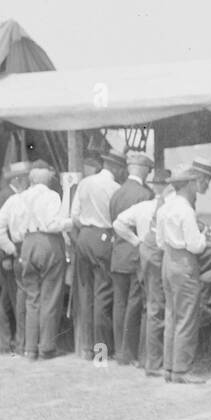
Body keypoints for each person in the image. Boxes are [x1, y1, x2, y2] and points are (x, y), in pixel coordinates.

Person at [111, 167, 172, 376]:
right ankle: (152, 358)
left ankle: (142, 356)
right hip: (160, 257)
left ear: (154, 186)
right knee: (154, 308)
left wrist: (136, 242)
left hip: (143, 258)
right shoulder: (167, 207)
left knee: (146, 306)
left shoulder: (142, 207)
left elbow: (118, 223)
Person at [157, 164, 209, 384]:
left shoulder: (165, 207)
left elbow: (159, 242)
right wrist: (204, 234)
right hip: (184, 261)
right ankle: (182, 369)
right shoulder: (186, 209)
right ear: (188, 184)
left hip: (168, 260)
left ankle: (169, 367)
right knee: (187, 316)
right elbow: (196, 246)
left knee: (171, 314)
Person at [15, 161, 71, 359]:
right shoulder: (51, 196)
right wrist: (71, 222)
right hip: (48, 243)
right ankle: (46, 346)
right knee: (50, 295)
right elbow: (52, 223)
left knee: (32, 297)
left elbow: (16, 226)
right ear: (47, 177)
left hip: (27, 243)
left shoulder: (21, 197)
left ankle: (30, 348)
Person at [72, 151, 123, 361]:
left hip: (83, 236)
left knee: (85, 294)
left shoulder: (85, 183)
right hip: (103, 238)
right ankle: (101, 351)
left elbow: (74, 216)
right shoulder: (115, 189)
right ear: (118, 168)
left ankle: (86, 348)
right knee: (103, 295)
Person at [109, 151, 154, 365]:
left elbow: (115, 223)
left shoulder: (117, 193)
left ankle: (119, 351)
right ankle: (130, 353)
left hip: (118, 254)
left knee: (119, 304)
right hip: (136, 255)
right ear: (144, 170)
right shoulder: (145, 194)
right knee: (134, 305)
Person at [0, 161, 32, 355]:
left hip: (8, 254)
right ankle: (13, 341)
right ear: (18, 179)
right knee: (15, 300)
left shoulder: (9, 195)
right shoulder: (5, 197)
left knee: (7, 299)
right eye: (26, 178)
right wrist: (6, 255)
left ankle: (5, 343)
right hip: (7, 255)